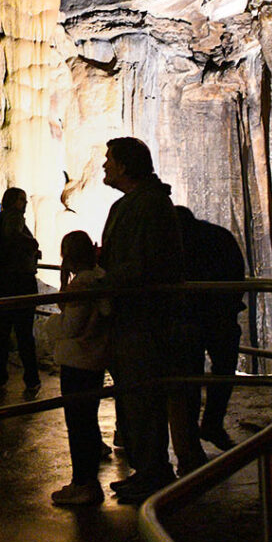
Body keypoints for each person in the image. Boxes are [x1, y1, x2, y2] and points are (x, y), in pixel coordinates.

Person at [97, 137, 183, 504]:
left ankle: (154, 472)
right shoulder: (132, 204)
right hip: (130, 316)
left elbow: (149, 263)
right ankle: (147, 468)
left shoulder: (149, 205)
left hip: (143, 318)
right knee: (133, 398)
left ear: (126, 165)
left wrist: (106, 277)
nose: (104, 166)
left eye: (109, 160)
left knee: (143, 397)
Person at [174, 206, 248, 451]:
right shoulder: (219, 236)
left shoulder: (176, 244)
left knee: (190, 378)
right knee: (224, 372)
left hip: (190, 318)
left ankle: (191, 438)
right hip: (222, 315)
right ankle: (213, 423)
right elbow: (238, 271)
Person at [49, 231, 112, 506]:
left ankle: (83, 483)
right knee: (88, 418)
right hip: (94, 359)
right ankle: (87, 480)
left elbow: (70, 325)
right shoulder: (100, 278)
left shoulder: (83, 286)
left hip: (77, 360)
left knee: (78, 423)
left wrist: (47, 326)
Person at [0, 187, 42, 396]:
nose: (25, 203)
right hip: (20, 282)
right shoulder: (14, 217)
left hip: (3, 284)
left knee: (1, 332)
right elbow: (13, 235)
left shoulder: (0, 220)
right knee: (25, 334)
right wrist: (32, 243)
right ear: (13, 201)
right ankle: (32, 380)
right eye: (21, 199)